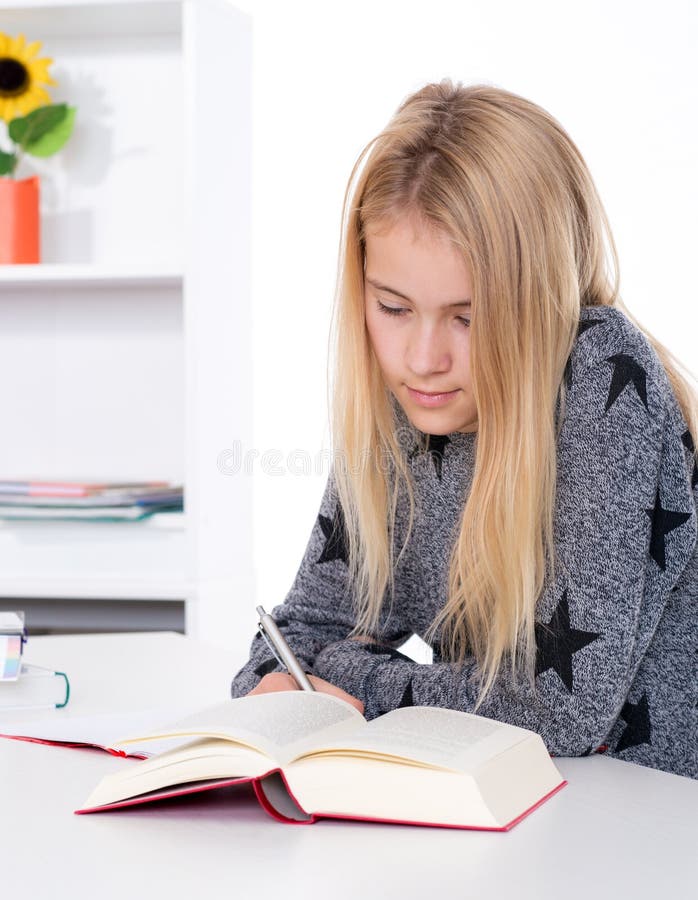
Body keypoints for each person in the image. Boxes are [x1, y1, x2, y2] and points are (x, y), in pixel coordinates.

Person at [231, 80, 698, 779]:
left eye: (468, 317)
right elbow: (289, 643)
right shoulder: (405, 402)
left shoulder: (603, 375)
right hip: (522, 823)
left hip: (645, 836)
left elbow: (560, 710)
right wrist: (285, 691)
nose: (424, 359)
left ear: (539, 300)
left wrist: (355, 684)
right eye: (392, 307)